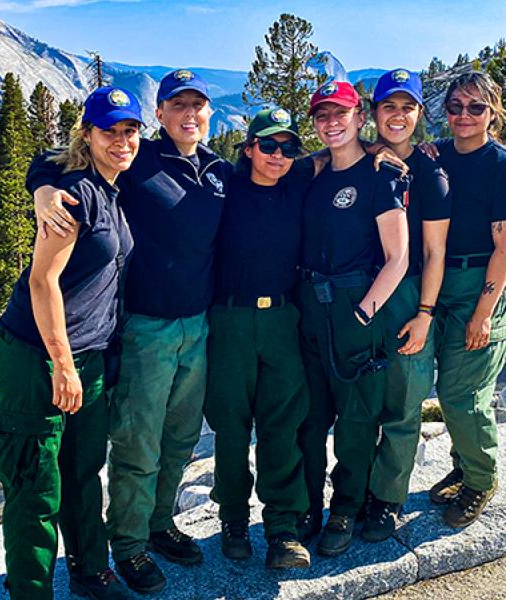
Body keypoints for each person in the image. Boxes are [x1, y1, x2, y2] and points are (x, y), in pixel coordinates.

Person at [27, 69, 229, 594]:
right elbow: (53, 160)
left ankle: (160, 524)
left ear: (208, 113)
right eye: (177, 105)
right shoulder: (138, 157)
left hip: (198, 326)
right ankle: (130, 543)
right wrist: (43, 190)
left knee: (180, 438)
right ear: (159, 114)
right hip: (144, 328)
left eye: (197, 105)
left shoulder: (219, 171)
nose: (188, 114)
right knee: (138, 443)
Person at [0, 86, 140, 600]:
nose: (121, 141)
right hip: (38, 357)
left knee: (82, 470)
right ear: (88, 135)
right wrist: (62, 363)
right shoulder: (75, 195)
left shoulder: (110, 185)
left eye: (129, 130)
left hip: (89, 357)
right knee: (36, 480)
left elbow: (42, 163)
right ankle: (31, 591)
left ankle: (90, 571)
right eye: (109, 131)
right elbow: (42, 282)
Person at [294, 81, 410, 557]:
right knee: (310, 414)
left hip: (355, 303)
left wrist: (364, 312)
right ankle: (307, 506)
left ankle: (346, 506)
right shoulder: (314, 174)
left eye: (340, 113)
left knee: (356, 418)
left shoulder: (380, 176)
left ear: (360, 117)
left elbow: (398, 257)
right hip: (309, 304)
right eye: (322, 115)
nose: (331, 123)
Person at [204, 108, 313, 569]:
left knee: (281, 424)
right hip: (229, 319)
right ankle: (232, 518)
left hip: (282, 320)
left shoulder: (298, 182)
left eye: (288, 147)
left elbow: (340, 153)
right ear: (248, 148)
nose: (277, 155)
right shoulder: (223, 185)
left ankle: (282, 529)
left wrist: (382, 151)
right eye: (267, 145)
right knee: (230, 427)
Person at [421, 71, 506, 528]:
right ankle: (465, 466)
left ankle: (481, 480)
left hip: (482, 282)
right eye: (455, 106)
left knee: (462, 391)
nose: (464, 115)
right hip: (437, 280)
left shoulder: (505, 168)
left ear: (493, 112)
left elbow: (505, 250)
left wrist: (484, 314)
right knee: (450, 386)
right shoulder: (437, 155)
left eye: (476, 107)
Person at [360, 68, 451, 542]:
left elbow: (434, 252)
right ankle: (355, 490)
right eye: (388, 107)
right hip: (359, 291)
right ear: (373, 112)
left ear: (419, 113)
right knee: (359, 404)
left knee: (403, 403)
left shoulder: (431, 174)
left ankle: (387, 498)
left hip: (409, 295)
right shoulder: (360, 160)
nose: (397, 116)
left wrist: (424, 314)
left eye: (407, 107)